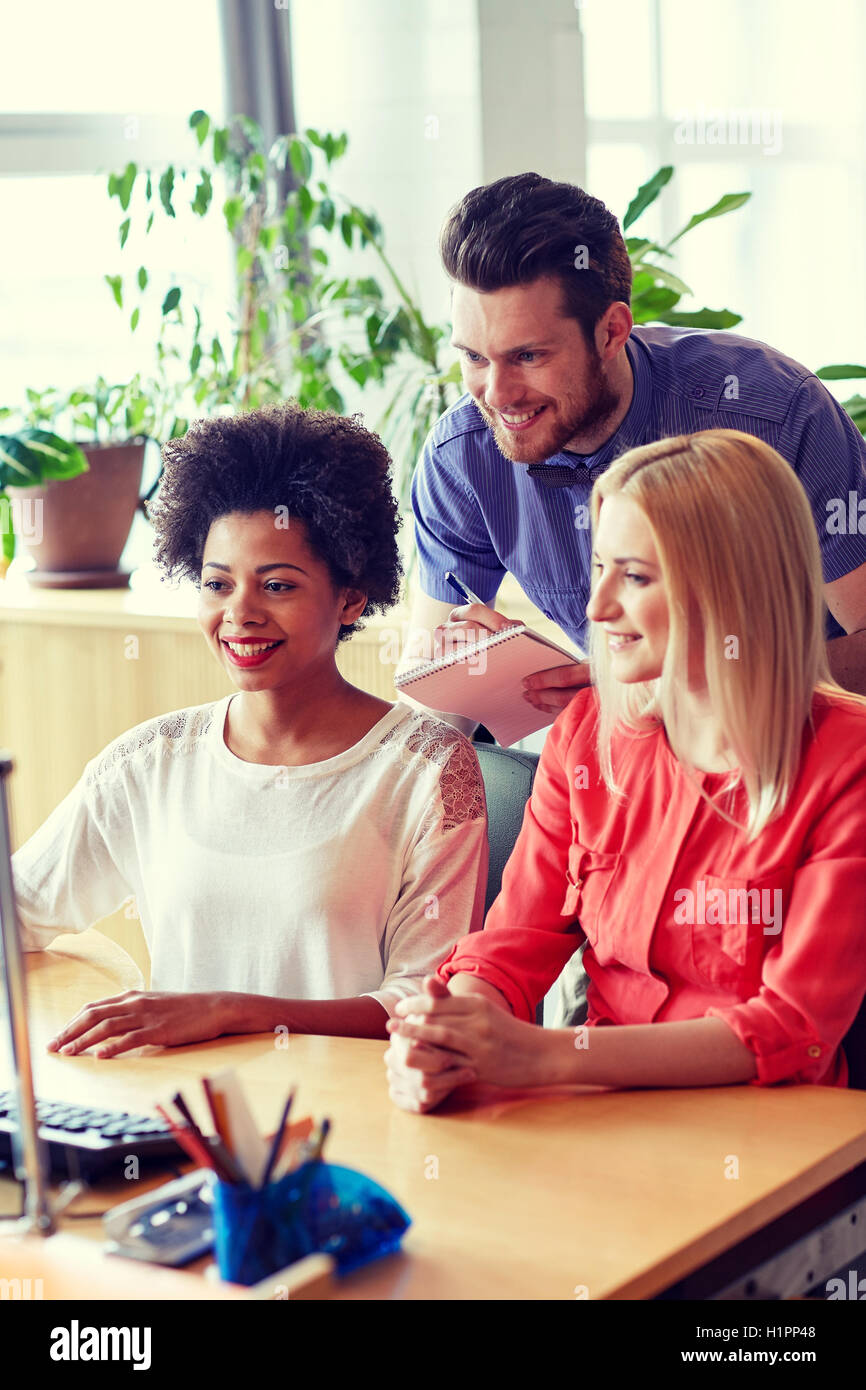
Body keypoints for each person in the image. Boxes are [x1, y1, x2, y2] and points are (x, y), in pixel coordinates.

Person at [385, 429, 866, 1110]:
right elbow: (507, 949)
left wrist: (537, 1055)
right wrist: (452, 1038)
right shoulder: (586, 735)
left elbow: (795, 1029)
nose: (595, 608)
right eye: (601, 567)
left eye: (634, 576)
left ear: (734, 586)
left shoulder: (850, 760)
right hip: (598, 1112)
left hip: (771, 1138)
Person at [12, 404, 488, 1056]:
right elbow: (20, 910)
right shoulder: (151, 764)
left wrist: (231, 1011)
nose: (240, 615)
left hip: (355, 1131)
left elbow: (423, 1001)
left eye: (277, 585)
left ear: (350, 596)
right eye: (217, 584)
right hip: (184, 1120)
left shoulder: (429, 769)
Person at [404, 173, 866, 717]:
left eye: (528, 356)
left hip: (801, 745)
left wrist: (656, 688)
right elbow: (431, 700)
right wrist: (483, 669)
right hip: (625, 770)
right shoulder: (462, 456)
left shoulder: (777, 411)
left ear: (611, 331)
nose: (498, 395)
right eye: (475, 358)